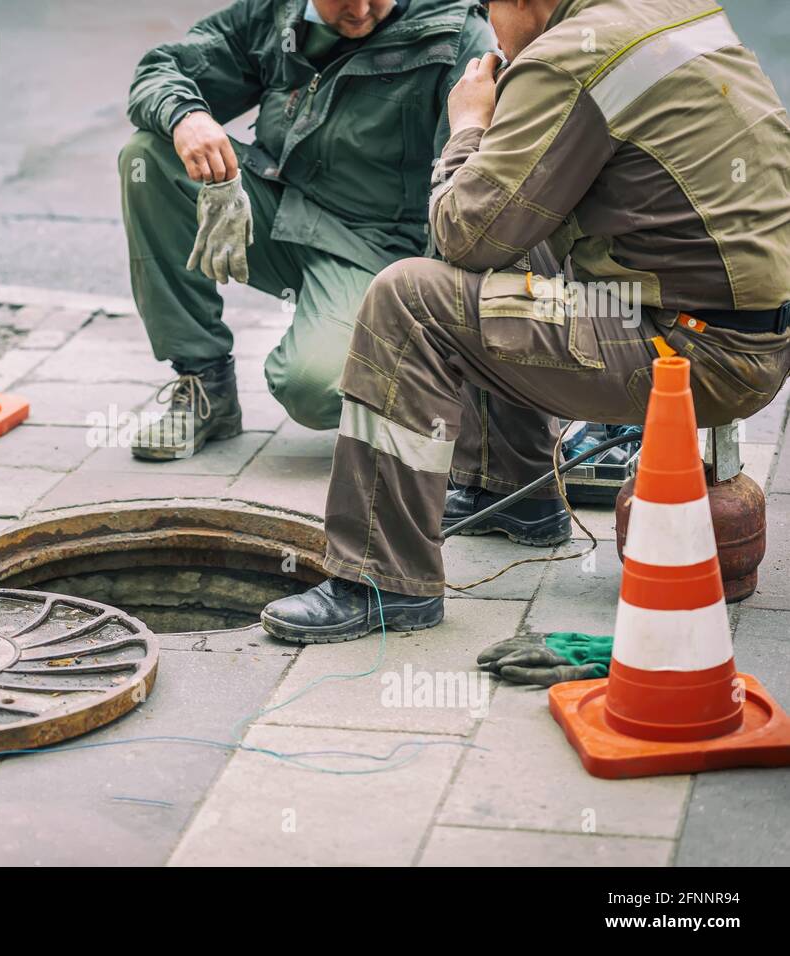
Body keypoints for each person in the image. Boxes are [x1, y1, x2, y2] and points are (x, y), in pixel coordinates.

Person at [261, 0, 790, 642]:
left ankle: (380, 579)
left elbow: (462, 233)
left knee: (409, 297)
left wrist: (468, 127)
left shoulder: (569, 56)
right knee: (511, 233)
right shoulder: (669, 9)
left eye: (489, 6)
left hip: (688, 351)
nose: (488, 25)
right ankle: (509, 491)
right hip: (745, 329)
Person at [120, 0, 495, 459]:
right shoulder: (276, 15)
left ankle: (440, 397)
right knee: (147, 155)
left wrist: (442, 330)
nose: (360, 11)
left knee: (312, 388)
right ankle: (206, 387)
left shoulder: (454, 36)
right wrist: (186, 117)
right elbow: (162, 67)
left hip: (375, 252)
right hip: (283, 211)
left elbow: (466, 192)